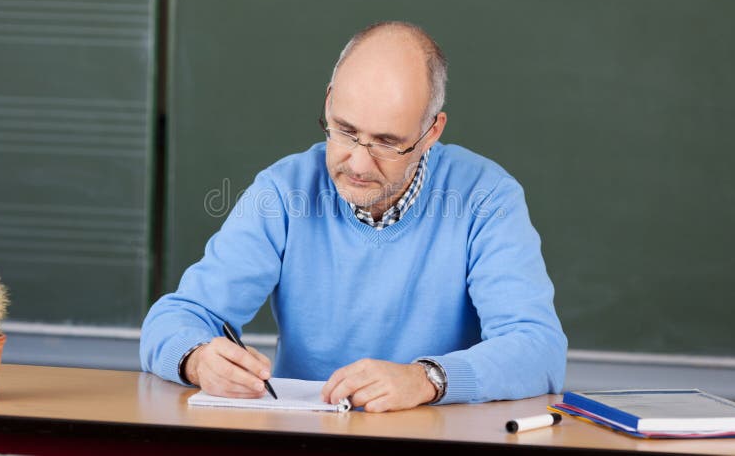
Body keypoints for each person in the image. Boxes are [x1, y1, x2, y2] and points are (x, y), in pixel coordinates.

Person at [140, 21, 567, 412]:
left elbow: (538, 348)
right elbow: (175, 318)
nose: (358, 165)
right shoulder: (283, 192)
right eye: (345, 131)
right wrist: (197, 359)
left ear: (431, 132)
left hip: (435, 439)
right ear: (328, 102)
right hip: (306, 439)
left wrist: (427, 379)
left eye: (386, 142)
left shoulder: (486, 197)